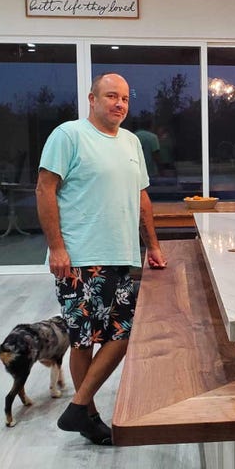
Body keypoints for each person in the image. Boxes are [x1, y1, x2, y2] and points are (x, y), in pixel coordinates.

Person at [35, 73, 167, 445]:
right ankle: (88, 416)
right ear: (92, 99)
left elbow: (142, 198)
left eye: (125, 98)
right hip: (79, 257)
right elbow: (45, 189)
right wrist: (57, 247)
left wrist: (153, 245)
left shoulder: (131, 142)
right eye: (111, 96)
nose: (119, 104)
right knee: (83, 340)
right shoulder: (68, 136)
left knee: (123, 333)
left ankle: (78, 407)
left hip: (120, 255)